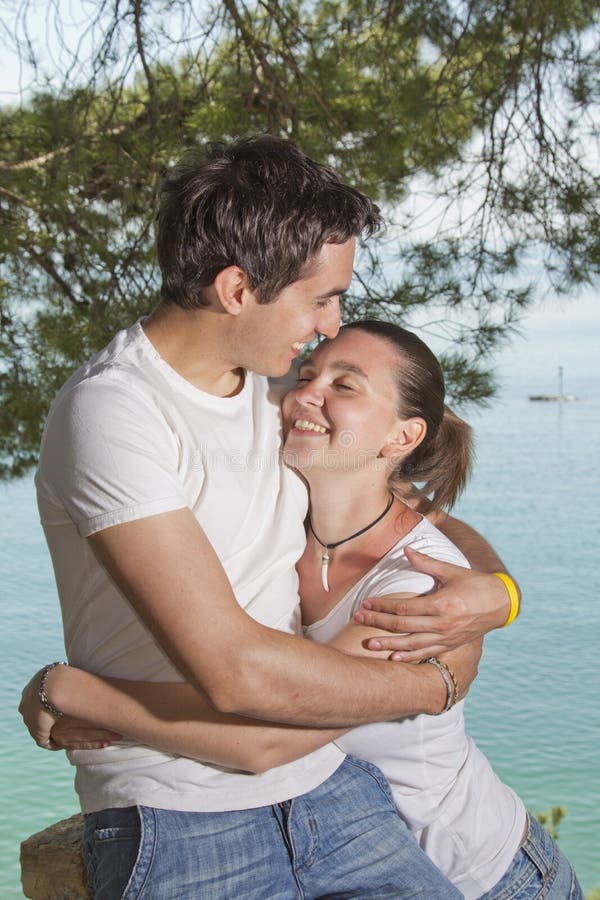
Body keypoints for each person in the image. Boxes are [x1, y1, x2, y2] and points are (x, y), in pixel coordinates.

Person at [22, 136, 515, 898]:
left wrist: (491, 590)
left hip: (333, 788)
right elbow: (238, 672)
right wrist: (436, 685)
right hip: (181, 812)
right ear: (235, 289)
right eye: (321, 299)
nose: (330, 324)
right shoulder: (116, 413)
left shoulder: (277, 388)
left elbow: (410, 509)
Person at [27, 320, 583, 898]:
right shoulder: (296, 526)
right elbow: (429, 511)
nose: (307, 393)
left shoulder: (413, 594)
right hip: (375, 851)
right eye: (309, 373)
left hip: (490, 874)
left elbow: (263, 742)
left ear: (402, 436)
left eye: (347, 386)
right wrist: (500, 590)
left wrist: (80, 692)